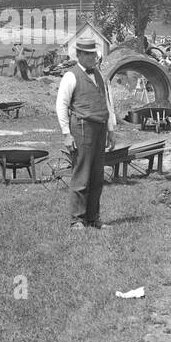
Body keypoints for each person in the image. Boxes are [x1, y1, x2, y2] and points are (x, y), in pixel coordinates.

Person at [55, 31, 118, 230]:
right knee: (81, 175)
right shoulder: (70, 76)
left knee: (97, 176)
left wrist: (110, 130)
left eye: (94, 54)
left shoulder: (99, 75)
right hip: (82, 128)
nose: (93, 57)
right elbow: (61, 105)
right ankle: (77, 220)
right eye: (88, 54)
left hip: (100, 128)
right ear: (79, 55)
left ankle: (93, 218)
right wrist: (66, 134)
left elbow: (107, 104)